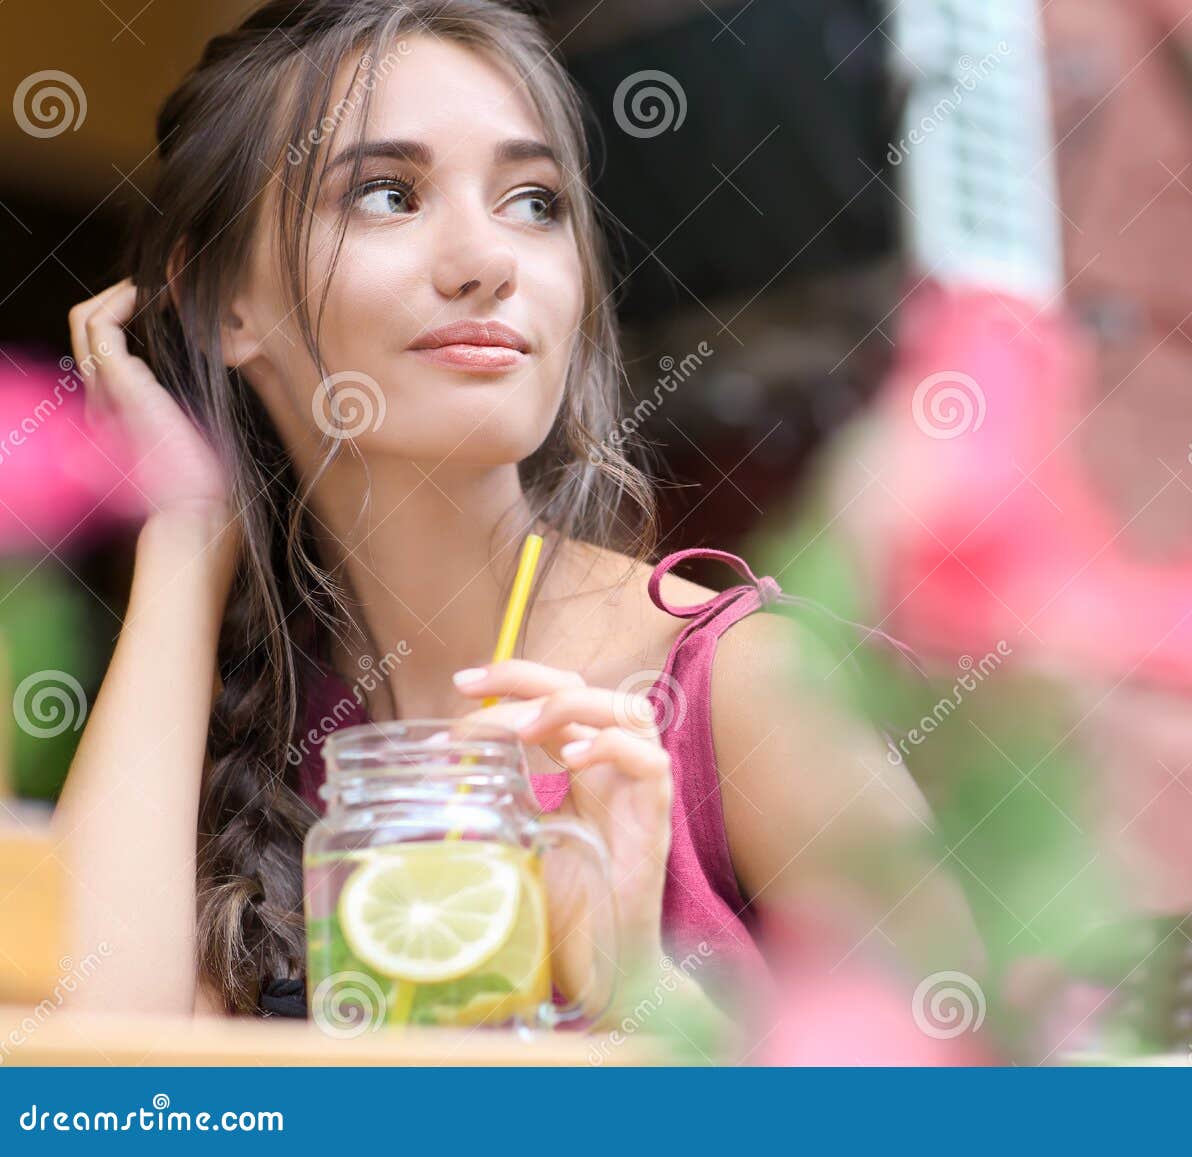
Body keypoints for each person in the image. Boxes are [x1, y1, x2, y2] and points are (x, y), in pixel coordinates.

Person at [53, 0, 975, 1026]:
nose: (488, 259)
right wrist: (184, 528)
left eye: (534, 202)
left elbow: (980, 1099)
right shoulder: (236, 731)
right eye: (389, 193)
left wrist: (642, 993)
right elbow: (94, 1078)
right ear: (224, 302)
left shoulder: (737, 687)